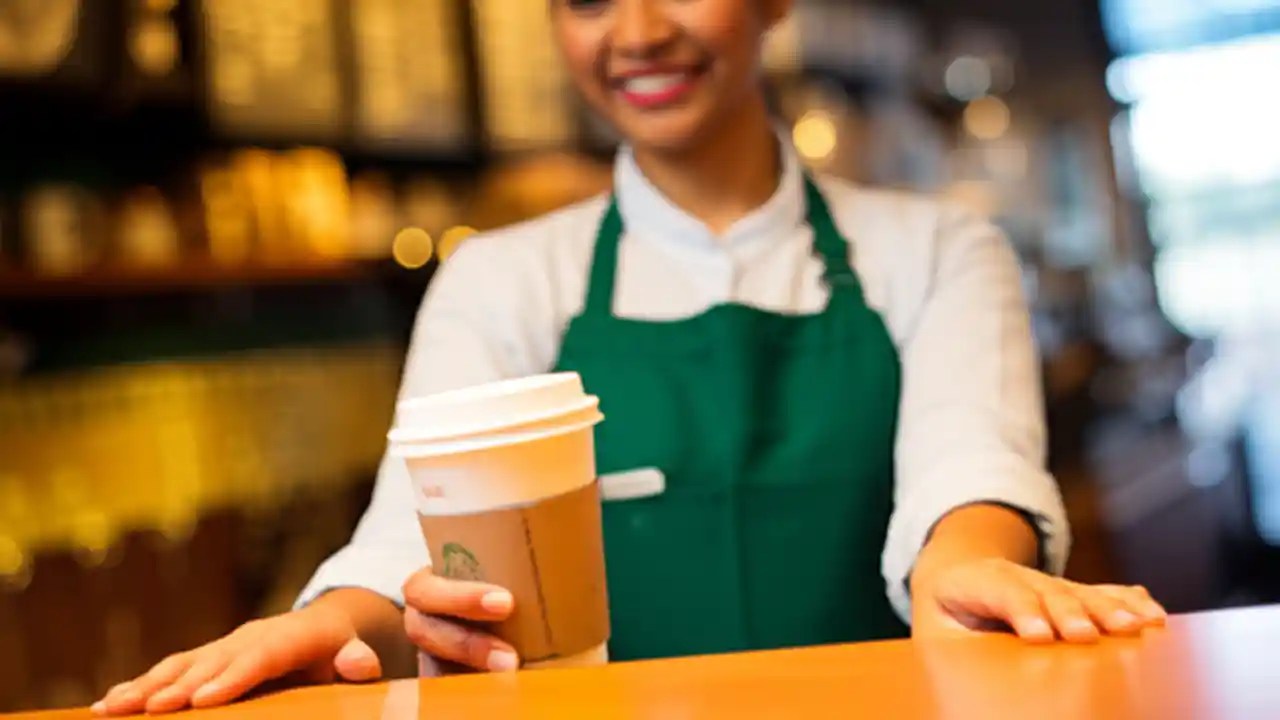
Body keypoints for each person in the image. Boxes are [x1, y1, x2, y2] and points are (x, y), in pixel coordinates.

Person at [94, 0, 1167, 714]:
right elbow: (410, 542)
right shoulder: (499, 280)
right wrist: (323, 625)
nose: (639, 31)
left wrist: (967, 566)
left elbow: (964, 473)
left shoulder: (934, 248)